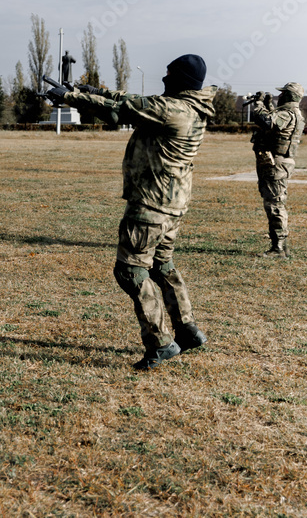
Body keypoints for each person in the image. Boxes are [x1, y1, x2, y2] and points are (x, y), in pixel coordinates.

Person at [46, 54, 215, 371]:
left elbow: (122, 109)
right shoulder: (191, 107)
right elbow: (129, 100)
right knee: (161, 266)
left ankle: (161, 342)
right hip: (173, 203)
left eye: (169, 74)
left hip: (151, 204)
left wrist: (69, 98)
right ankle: (187, 329)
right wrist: (92, 90)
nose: (163, 79)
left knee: (131, 271)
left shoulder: (171, 109)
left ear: (181, 80)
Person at [250, 82, 305, 258]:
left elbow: (266, 121)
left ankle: (278, 248)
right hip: (278, 163)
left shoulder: (287, 114)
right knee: (275, 202)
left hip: (276, 164)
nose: (279, 96)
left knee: (275, 204)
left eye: (282, 94)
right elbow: (275, 123)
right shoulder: (292, 113)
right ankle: (280, 246)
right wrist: (269, 105)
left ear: (289, 96)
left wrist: (259, 104)